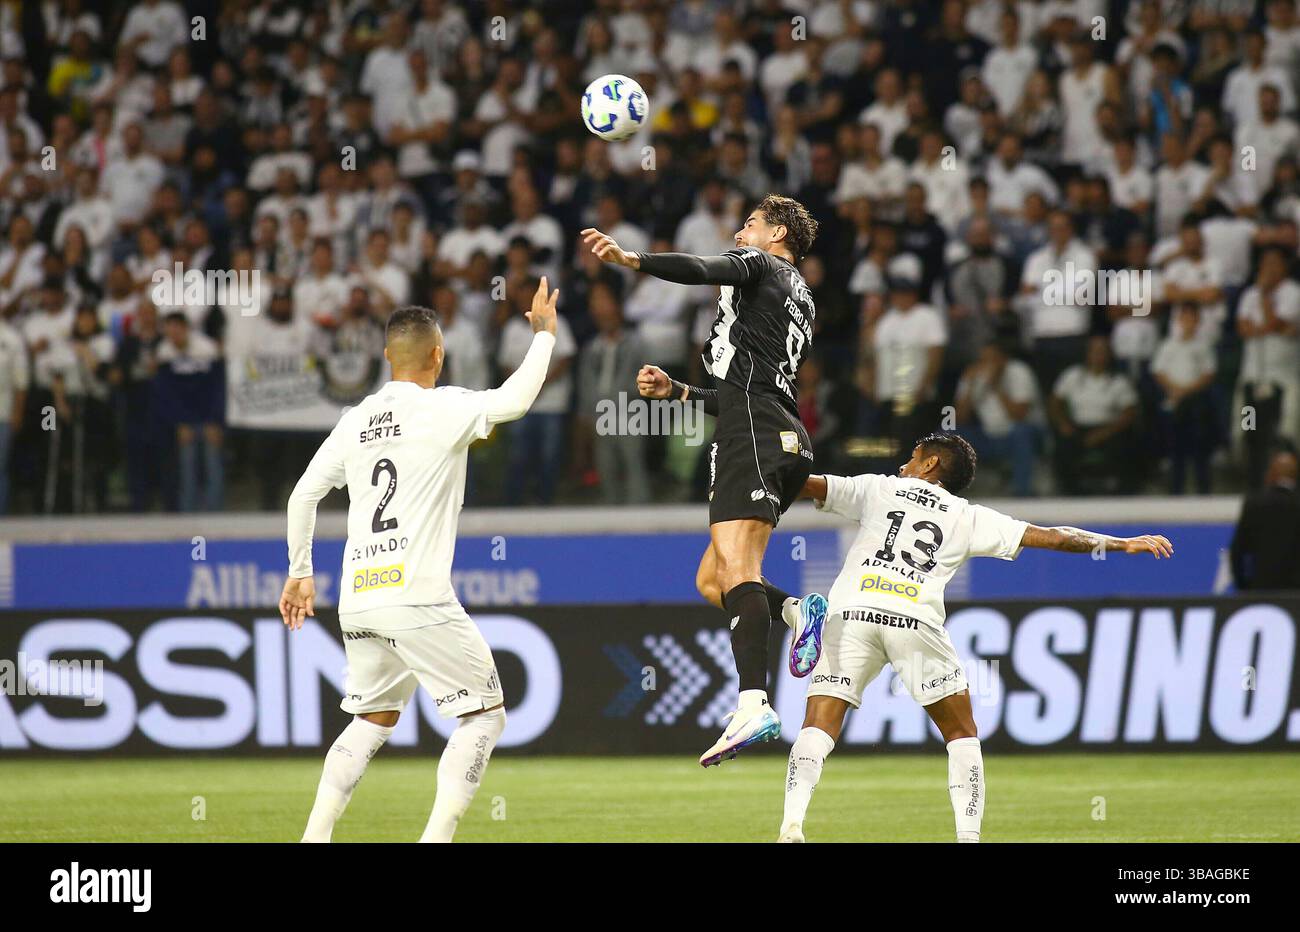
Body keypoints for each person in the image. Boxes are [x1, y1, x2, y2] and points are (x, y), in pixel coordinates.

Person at [779, 432, 1174, 843]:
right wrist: (1120, 543)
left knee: (819, 725)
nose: (903, 466)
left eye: (913, 458)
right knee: (961, 733)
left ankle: (792, 826)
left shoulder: (880, 488)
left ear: (931, 465)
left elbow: (801, 483)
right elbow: (1055, 536)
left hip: (851, 616)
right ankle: (968, 838)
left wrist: (761, 455)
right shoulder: (968, 516)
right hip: (915, 620)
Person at [280, 278, 559, 844]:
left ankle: (313, 839)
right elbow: (517, 399)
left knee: (372, 718)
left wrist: (301, 572)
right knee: (484, 714)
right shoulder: (444, 408)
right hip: (417, 598)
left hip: (358, 598)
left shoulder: (354, 419)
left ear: (387, 357)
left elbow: (302, 496)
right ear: (438, 354)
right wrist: (544, 336)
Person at [583, 194, 828, 767]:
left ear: (777, 235)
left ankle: (753, 703)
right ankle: (796, 612)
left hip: (753, 433)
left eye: (750, 224)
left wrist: (632, 260)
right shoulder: (804, 298)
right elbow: (755, 386)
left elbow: (700, 269)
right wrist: (681, 393)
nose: (740, 232)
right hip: (784, 433)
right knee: (713, 579)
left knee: (737, 568)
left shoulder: (763, 266)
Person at [1230, 450, 1300, 591]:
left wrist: (1244, 587)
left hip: (1262, 591)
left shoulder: (1254, 504)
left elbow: (1237, 551)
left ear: (1271, 474)